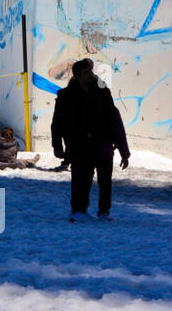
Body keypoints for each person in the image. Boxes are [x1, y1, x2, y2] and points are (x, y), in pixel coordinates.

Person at [51, 58, 131, 221]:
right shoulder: (66, 95)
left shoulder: (103, 93)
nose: (90, 75)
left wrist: (123, 150)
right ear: (78, 76)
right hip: (79, 144)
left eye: (90, 71)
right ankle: (78, 210)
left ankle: (104, 211)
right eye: (86, 72)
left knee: (105, 181)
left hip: (103, 143)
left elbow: (114, 119)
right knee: (81, 179)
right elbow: (57, 122)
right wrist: (57, 145)